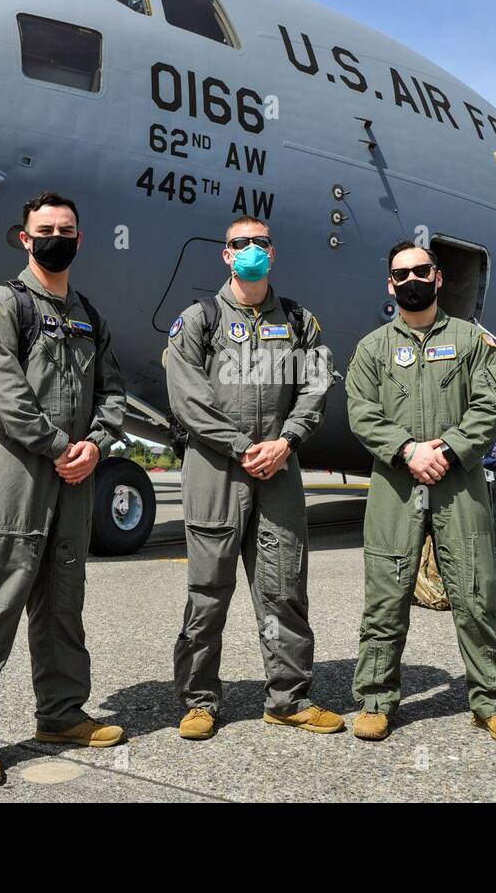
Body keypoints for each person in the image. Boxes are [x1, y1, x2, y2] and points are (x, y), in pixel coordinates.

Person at [0, 191, 126, 786]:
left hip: (75, 478)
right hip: (18, 478)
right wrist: (58, 446)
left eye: (66, 229)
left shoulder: (88, 315)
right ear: (25, 238)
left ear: (80, 238)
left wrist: (96, 444)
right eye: (45, 229)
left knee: (62, 604)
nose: (56, 237)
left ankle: (61, 714)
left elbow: (113, 391)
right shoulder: (1, 305)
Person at [166, 216, 342, 740]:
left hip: (279, 467)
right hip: (217, 469)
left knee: (283, 586)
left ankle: (288, 698)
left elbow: (316, 384)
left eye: (259, 243)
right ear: (226, 255)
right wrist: (243, 446)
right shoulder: (200, 318)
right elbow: (187, 396)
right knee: (207, 589)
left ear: (273, 251)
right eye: (239, 244)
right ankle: (199, 700)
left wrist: (287, 440)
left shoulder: (298, 320)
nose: (250, 251)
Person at [344, 241, 496, 743]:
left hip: (458, 483)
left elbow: (494, 401)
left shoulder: (470, 341)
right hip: (396, 484)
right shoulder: (373, 349)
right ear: (390, 284)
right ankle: (377, 700)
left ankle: (491, 702)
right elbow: (361, 412)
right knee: (386, 593)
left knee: (474, 592)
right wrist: (407, 450)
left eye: (420, 271)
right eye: (400, 274)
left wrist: (447, 449)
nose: (411, 281)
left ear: (438, 277)